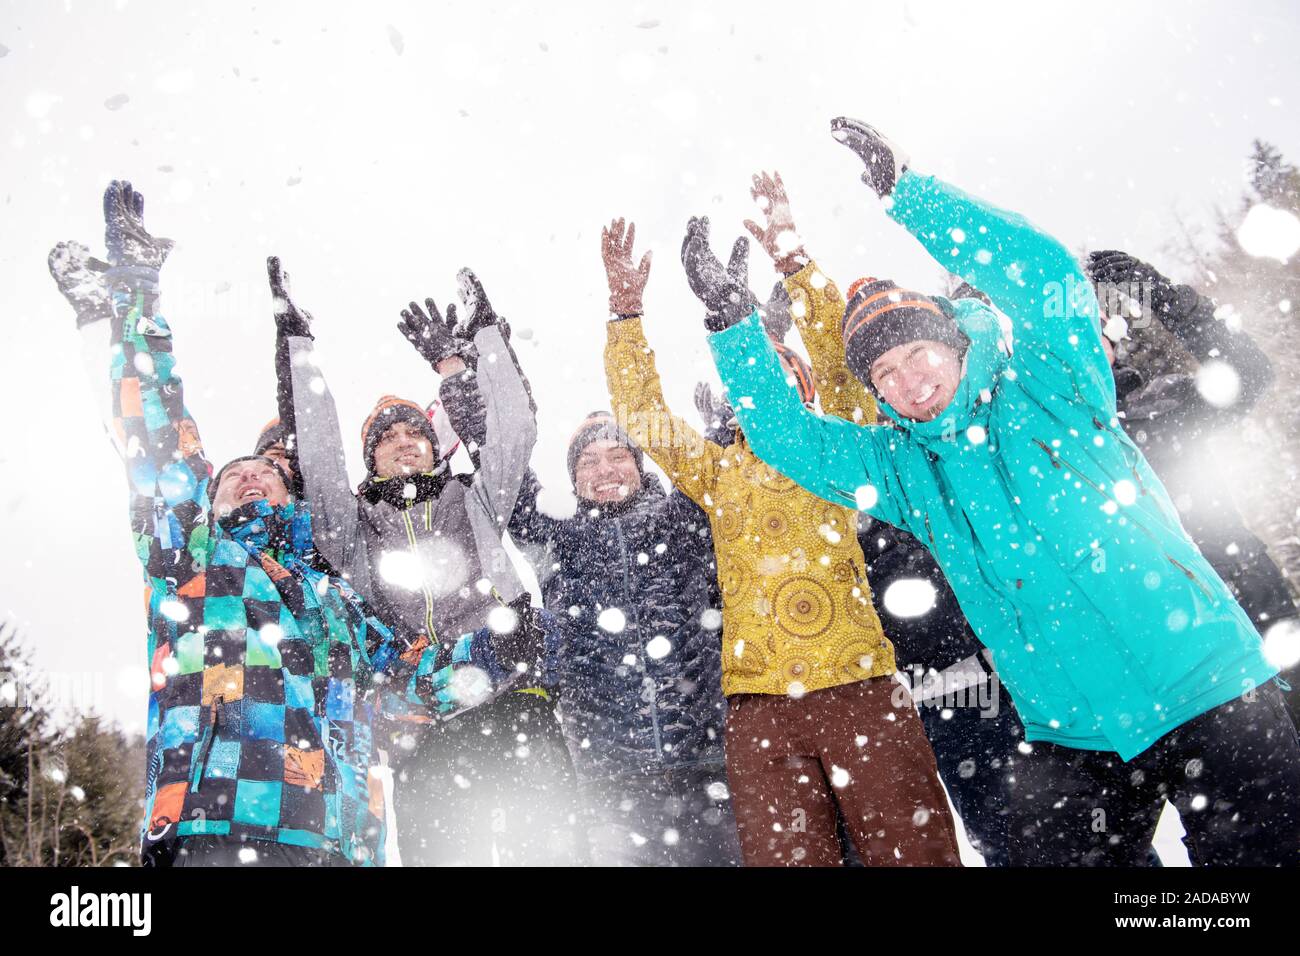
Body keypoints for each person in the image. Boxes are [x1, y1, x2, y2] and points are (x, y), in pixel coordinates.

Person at [705, 118, 1300, 866]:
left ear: (953, 342)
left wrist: (909, 193)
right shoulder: (904, 470)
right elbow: (789, 438)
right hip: (1075, 732)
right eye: (885, 373)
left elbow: (1046, 275)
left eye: (917, 353)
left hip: (1210, 684)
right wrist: (729, 327)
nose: (909, 380)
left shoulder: (1052, 387)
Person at [72, 181, 538, 866]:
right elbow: (154, 433)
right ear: (206, 499)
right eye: (234, 473)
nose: (253, 475)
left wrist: (500, 651)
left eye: (269, 473)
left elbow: (411, 680)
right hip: (219, 822)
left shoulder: (334, 597)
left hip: (337, 841)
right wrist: (133, 296)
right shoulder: (195, 553)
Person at [600, 217, 961, 866]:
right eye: (755, 380)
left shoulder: (835, 451)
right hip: (760, 707)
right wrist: (625, 315)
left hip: (860, 686)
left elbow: (841, 368)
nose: (767, 389)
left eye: (783, 375)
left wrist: (797, 266)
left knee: (916, 853)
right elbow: (642, 415)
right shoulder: (716, 472)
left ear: (804, 390)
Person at [273, 264, 579, 865]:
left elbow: (514, 429)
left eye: (415, 432)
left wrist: (483, 336)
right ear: (371, 459)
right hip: (421, 720)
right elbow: (318, 455)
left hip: (513, 698)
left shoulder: (475, 496)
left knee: (549, 854)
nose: (404, 441)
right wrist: (298, 343)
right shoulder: (350, 527)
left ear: (435, 447)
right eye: (386, 437)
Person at [505, 411, 741, 866]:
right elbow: (507, 463)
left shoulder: (681, 519)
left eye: (618, 456)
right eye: (589, 461)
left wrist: (722, 424)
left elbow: (714, 464)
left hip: (707, 767)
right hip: (610, 782)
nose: (605, 470)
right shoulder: (557, 537)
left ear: (639, 464)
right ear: (573, 478)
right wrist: (464, 379)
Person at [1086, 250, 1300, 719]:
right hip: (1171, 654)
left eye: (1092, 332)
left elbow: (1250, 373)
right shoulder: (1053, 446)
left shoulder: (1164, 402)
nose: (1085, 347)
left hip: (1258, 608)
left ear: (1111, 340)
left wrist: (1171, 301)